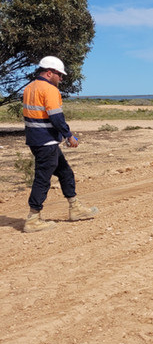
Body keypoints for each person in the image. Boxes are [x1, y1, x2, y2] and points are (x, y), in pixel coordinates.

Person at [21, 56, 98, 233]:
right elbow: (56, 117)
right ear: (50, 73)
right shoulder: (49, 90)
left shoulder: (29, 88)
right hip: (46, 141)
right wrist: (69, 135)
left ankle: (75, 208)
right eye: (60, 75)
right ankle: (33, 218)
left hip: (37, 140)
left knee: (65, 172)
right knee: (42, 179)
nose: (61, 79)